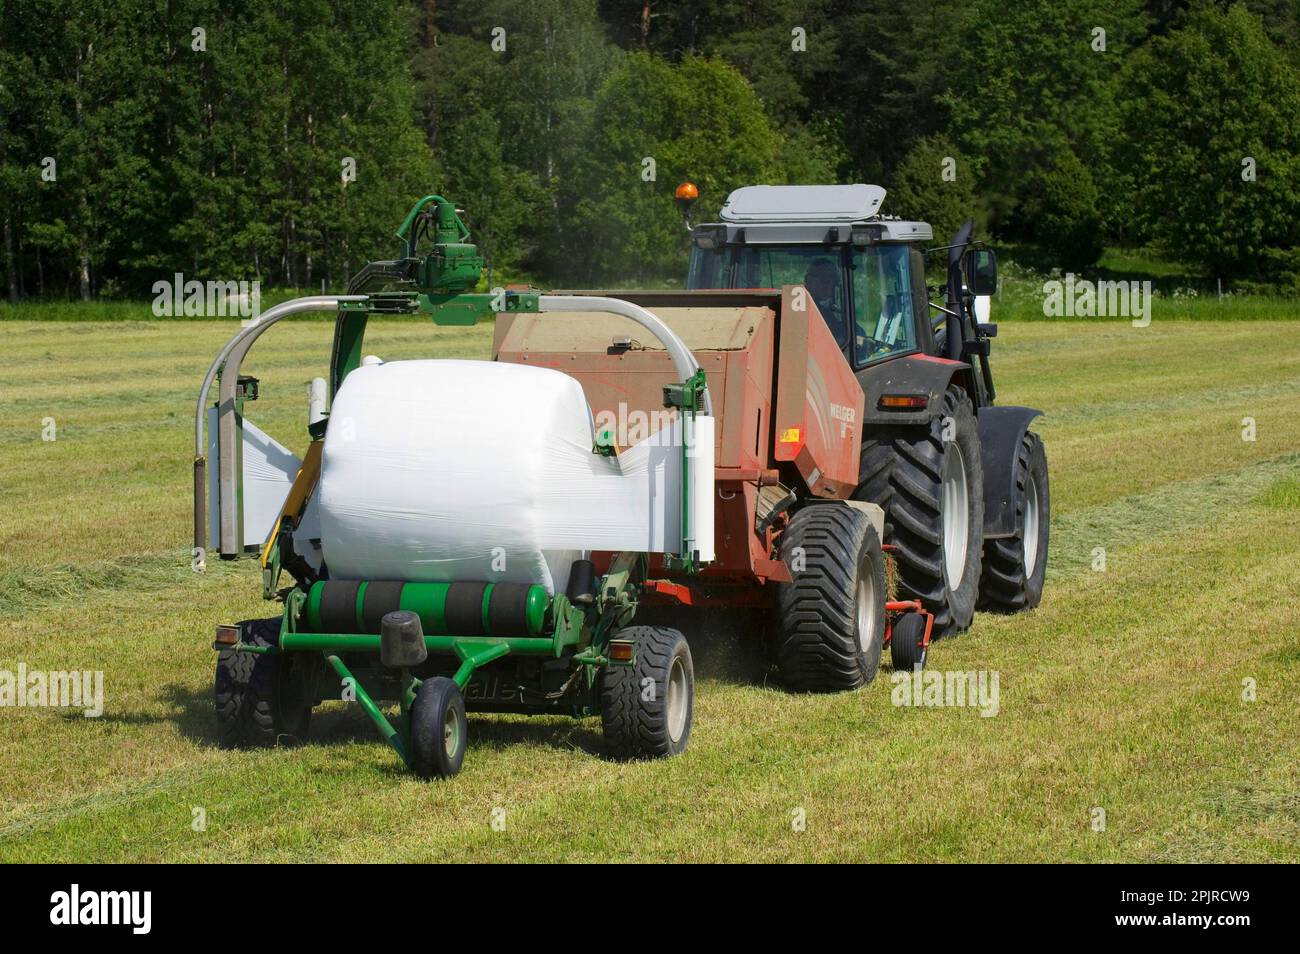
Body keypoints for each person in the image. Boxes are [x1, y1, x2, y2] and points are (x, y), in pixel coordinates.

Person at [804, 258, 848, 348]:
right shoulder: (801, 309)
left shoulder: (831, 308)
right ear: (809, 280)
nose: (831, 284)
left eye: (834, 279)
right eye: (824, 279)